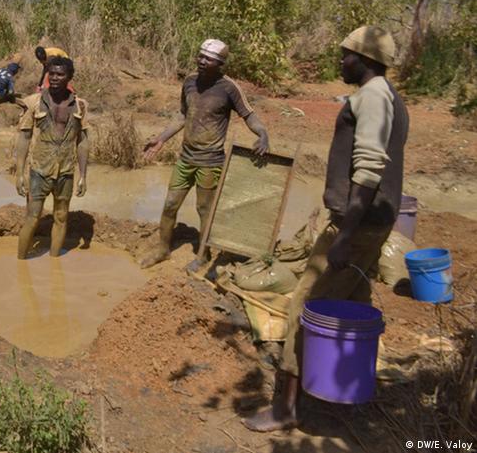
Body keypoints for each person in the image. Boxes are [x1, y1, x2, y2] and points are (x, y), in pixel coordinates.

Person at [243, 26, 408, 432]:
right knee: (354, 302)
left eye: (345, 55)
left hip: (356, 226)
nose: (340, 62)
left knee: (304, 306)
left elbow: (368, 171)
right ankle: (349, 389)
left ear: (366, 60)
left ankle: (286, 408)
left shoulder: (371, 97)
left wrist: (344, 236)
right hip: (372, 222)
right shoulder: (389, 98)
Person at [140, 39, 270, 271]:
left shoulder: (229, 88)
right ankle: (163, 249)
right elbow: (182, 115)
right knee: (170, 204)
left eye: (208, 59)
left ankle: (203, 254)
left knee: (204, 209)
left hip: (210, 161)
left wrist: (262, 133)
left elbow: (249, 115)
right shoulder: (190, 82)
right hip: (185, 158)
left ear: (220, 63)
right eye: (200, 56)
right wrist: (161, 139)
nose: (201, 61)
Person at [15, 56, 89, 259]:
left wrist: (83, 175)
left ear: (69, 77)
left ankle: (55, 262)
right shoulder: (34, 102)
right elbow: (24, 137)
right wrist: (19, 173)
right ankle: (20, 263)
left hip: (66, 171)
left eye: (60, 74)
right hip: (40, 170)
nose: (55, 78)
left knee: (61, 216)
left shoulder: (80, 106)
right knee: (32, 217)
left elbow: (82, 141)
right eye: (52, 74)